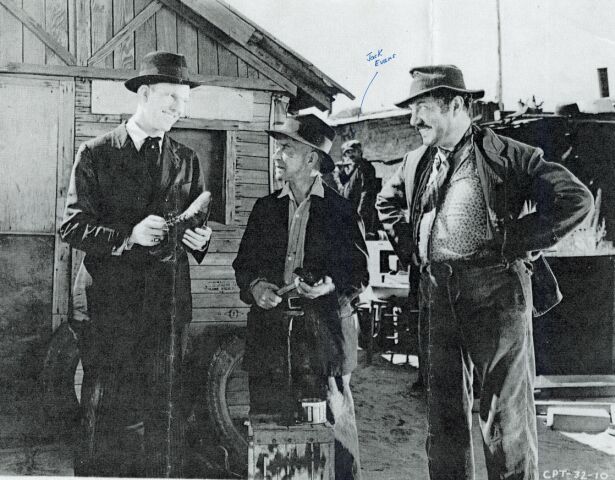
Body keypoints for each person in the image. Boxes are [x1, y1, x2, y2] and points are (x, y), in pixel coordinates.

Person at [376, 65, 593, 480]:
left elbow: (575, 199)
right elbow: (385, 204)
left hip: (495, 293)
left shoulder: (508, 156)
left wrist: (516, 239)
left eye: (422, 108)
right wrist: (413, 250)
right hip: (438, 294)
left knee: (504, 415)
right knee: (442, 415)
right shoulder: (415, 162)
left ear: (457, 105)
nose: (412, 121)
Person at [60, 51, 212, 477]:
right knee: (107, 407)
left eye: (182, 101)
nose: (177, 109)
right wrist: (128, 236)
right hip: (110, 305)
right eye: (169, 98)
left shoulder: (186, 158)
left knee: (164, 407)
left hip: (166, 305)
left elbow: (195, 220)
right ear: (143, 94)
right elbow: (72, 226)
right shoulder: (96, 153)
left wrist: (200, 239)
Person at [233, 114, 369, 479]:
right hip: (270, 337)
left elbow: (358, 275)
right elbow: (243, 266)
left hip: (321, 339)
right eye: (279, 148)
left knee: (331, 433)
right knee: (271, 433)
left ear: (311, 159)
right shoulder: (266, 209)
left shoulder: (341, 211)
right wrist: (256, 287)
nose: (278, 155)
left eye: (287, 149)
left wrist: (328, 285)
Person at [335, 139, 379, 236]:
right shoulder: (352, 167)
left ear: (360, 152)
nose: (350, 155)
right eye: (347, 153)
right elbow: (345, 185)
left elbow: (366, 190)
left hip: (360, 210)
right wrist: (340, 172)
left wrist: (362, 210)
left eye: (353, 151)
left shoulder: (365, 168)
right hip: (350, 208)